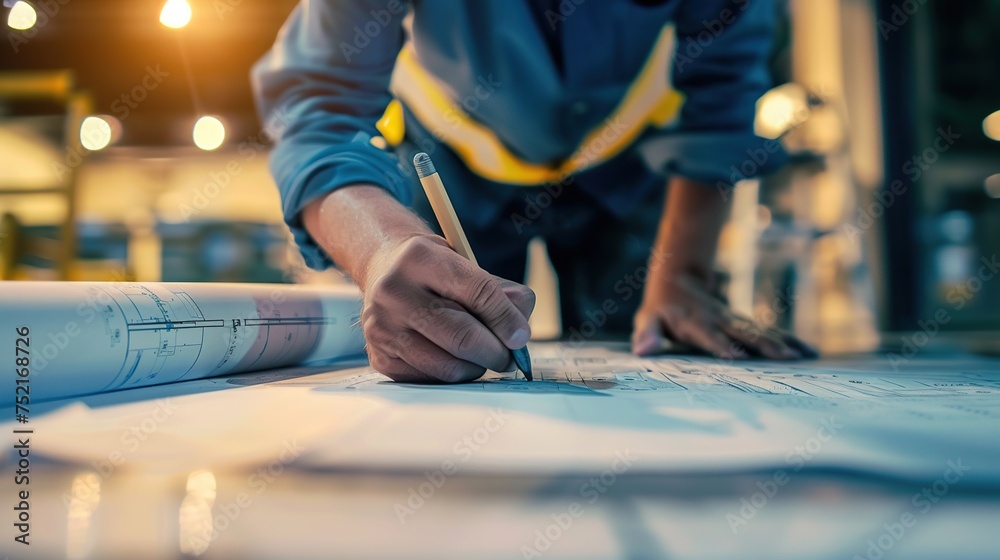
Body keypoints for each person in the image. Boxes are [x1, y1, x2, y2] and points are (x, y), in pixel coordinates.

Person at [252, 0, 815, 383]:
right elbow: (317, 114)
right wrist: (379, 249)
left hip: (631, 176)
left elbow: (722, 89)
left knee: (649, 354)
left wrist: (685, 274)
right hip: (451, 176)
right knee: (444, 345)